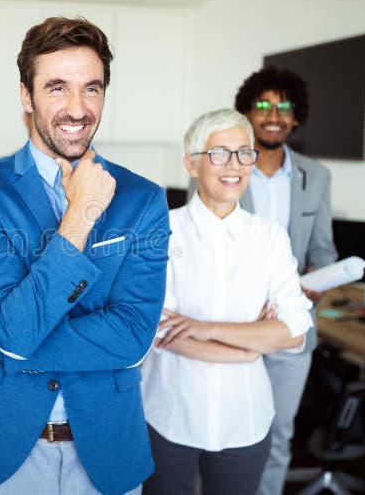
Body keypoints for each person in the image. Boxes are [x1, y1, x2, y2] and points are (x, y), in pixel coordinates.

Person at [0, 16, 170, 495]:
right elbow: (15, 331)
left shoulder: (144, 199)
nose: (77, 108)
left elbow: (132, 337)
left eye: (92, 89)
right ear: (27, 95)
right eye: (57, 88)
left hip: (104, 445)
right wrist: (79, 216)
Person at [140, 108, 313, 495]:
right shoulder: (161, 234)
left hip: (244, 420)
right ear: (191, 163)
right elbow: (158, 331)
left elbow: (295, 331)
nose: (234, 165)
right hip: (169, 417)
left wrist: (205, 328)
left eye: (244, 153)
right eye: (219, 153)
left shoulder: (270, 238)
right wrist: (250, 346)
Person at [233, 67, 338, 495]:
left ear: (296, 117)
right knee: (229, 433)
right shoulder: (224, 167)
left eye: (283, 107)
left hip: (292, 328)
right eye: (263, 105)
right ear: (247, 114)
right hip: (236, 326)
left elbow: (324, 251)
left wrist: (321, 279)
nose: (273, 115)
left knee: (278, 435)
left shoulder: (317, 176)